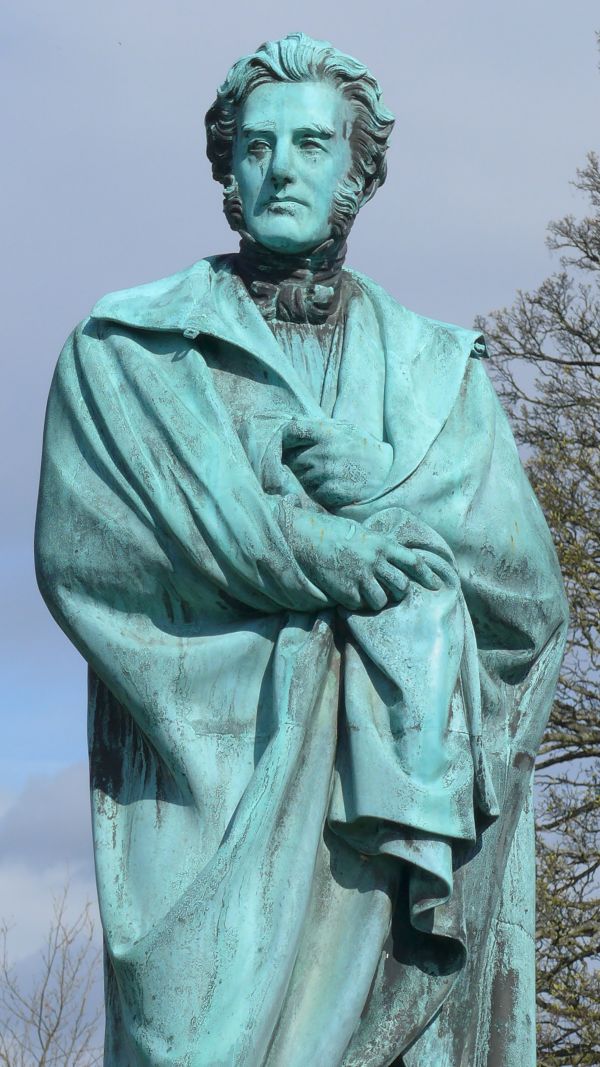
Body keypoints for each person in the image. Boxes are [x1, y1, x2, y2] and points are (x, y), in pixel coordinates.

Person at [35, 32, 568, 1067]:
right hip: (207, 801)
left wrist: (390, 494)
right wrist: (305, 548)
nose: (283, 168)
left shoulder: (437, 371)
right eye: (259, 145)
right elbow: (85, 549)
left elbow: (530, 600)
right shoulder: (127, 353)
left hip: (385, 824)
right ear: (228, 170)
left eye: (314, 145)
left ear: (360, 172)